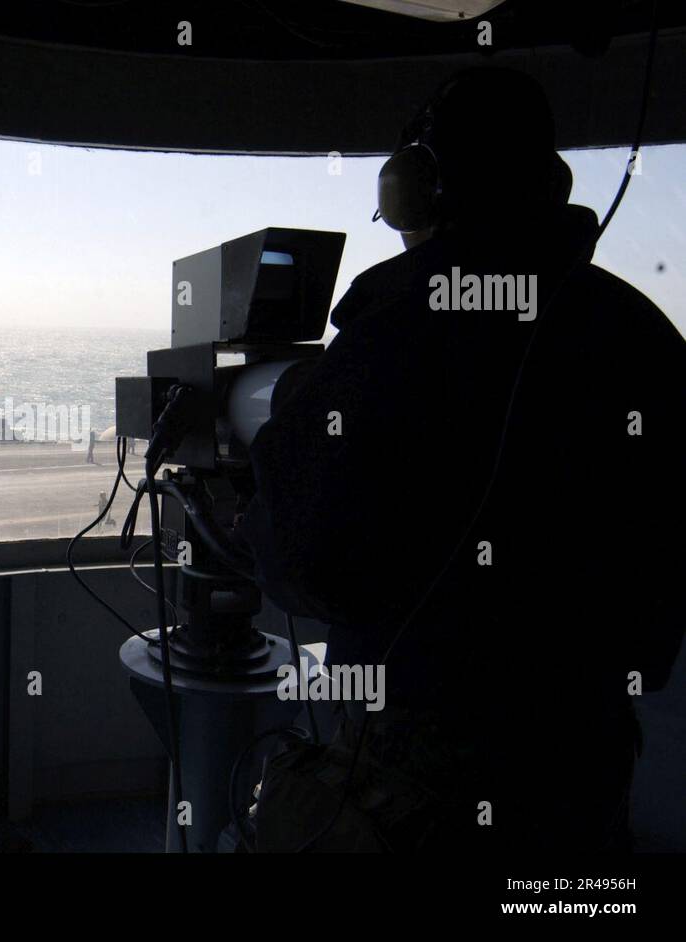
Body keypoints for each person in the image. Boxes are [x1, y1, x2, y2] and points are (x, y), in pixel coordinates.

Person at [242, 68, 685, 852]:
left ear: (421, 190)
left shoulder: (398, 336)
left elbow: (305, 566)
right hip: (586, 771)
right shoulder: (641, 333)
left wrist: (278, 447)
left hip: (419, 784)